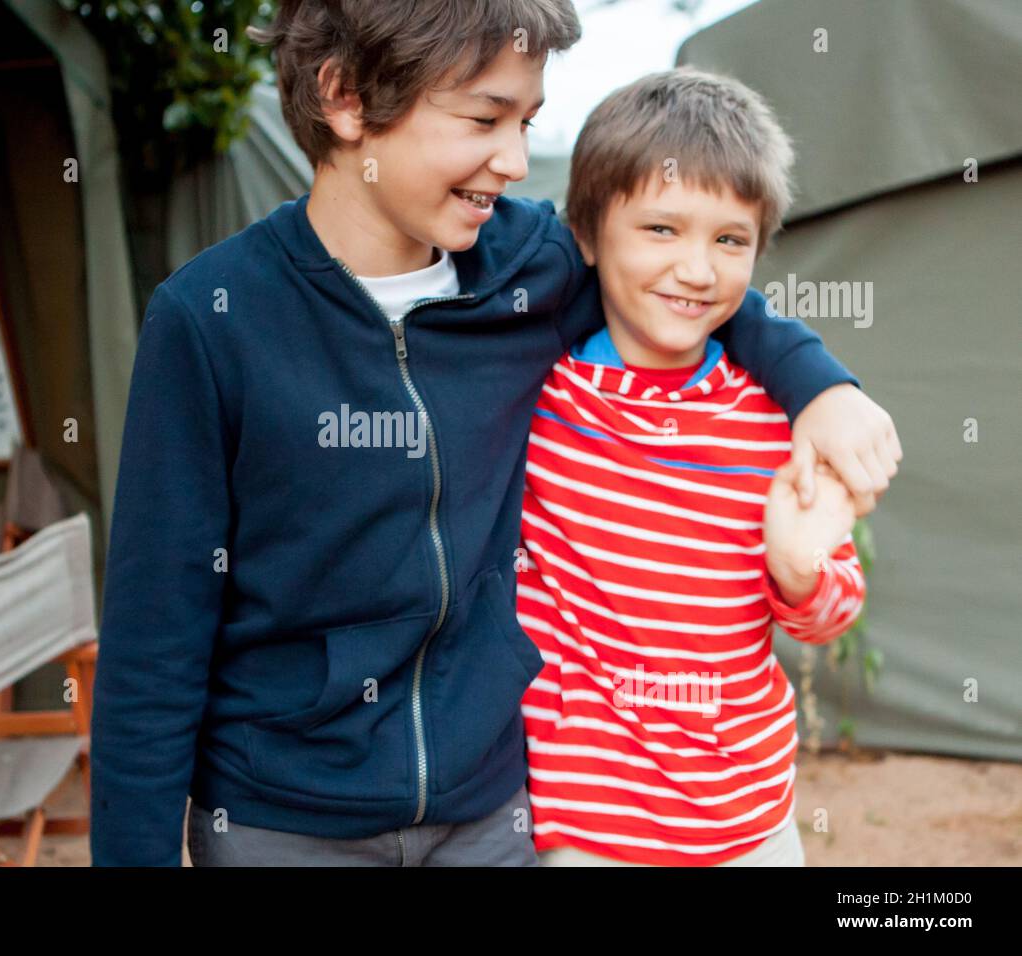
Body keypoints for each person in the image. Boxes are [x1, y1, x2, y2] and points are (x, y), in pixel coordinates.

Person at [90, 0, 900, 867]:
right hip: (281, 823)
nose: (515, 161)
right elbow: (153, 645)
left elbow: (682, 286)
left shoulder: (535, 270)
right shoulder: (211, 320)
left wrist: (822, 388)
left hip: (491, 815)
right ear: (347, 96)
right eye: (485, 117)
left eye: (528, 122)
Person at [520, 68, 867, 867]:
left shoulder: (782, 420)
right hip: (587, 831)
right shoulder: (539, 401)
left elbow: (831, 610)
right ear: (587, 233)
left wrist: (800, 570)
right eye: (661, 230)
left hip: (752, 828)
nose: (699, 270)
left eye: (729, 240)